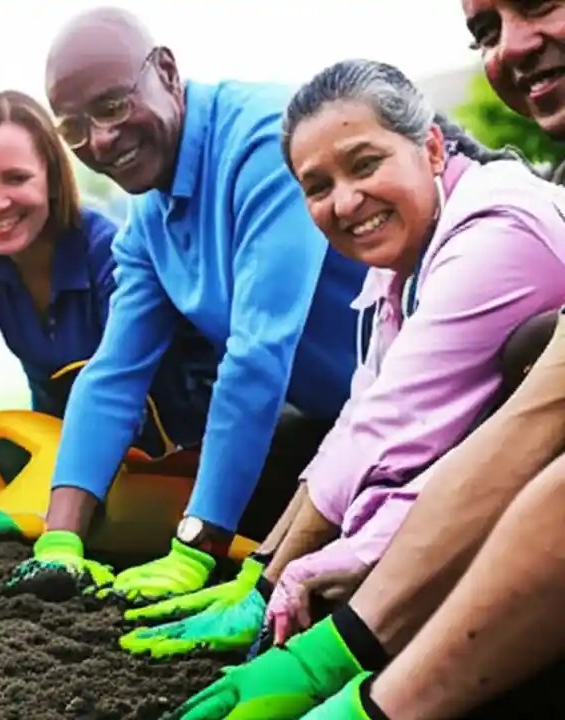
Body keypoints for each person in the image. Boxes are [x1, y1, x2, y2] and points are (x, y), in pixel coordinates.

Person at [170, 15, 565, 715]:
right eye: (317, 186)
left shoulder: (496, 235)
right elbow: (359, 428)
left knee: (530, 349)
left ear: (433, 149)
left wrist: (323, 626)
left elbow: (405, 437)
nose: (345, 202)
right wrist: (265, 569)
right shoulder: (399, 268)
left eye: (364, 164)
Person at [17, 6, 367, 602]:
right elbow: (112, 375)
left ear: (168, 72)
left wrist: (195, 547)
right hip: (347, 426)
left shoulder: (269, 143)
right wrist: (59, 543)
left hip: (445, 408)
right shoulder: (147, 224)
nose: (99, 141)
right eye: (73, 129)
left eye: (111, 106)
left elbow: (257, 355)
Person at [0, 89, 217, 549]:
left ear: (53, 176)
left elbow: (123, 399)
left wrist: (36, 513)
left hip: (167, 446)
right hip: (65, 443)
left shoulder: (107, 249)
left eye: (15, 178)